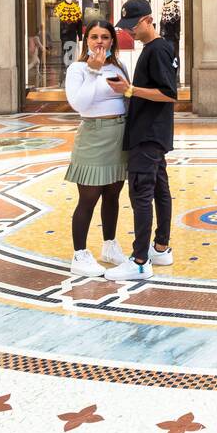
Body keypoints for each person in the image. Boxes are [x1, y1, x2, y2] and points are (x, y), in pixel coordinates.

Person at [105, 0, 180, 281]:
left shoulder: (157, 50)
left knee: (141, 194)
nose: (129, 32)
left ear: (148, 20)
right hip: (154, 133)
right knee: (159, 190)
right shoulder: (158, 48)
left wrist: (130, 90)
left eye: (133, 26)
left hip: (147, 134)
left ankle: (139, 260)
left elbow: (169, 93)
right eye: (126, 27)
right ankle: (160, 248)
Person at [64, 20, 130, 277]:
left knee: (113, 195)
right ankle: (79, 254)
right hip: (93, 135)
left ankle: (110, 246)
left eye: (104, 36)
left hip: (119, 134)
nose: (99, 41)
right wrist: (93, 71)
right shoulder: (78, 68)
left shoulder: (119, 66)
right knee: (89, 198)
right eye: (94, 37)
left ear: (112, 40)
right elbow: (80, 104)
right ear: (86, 40)